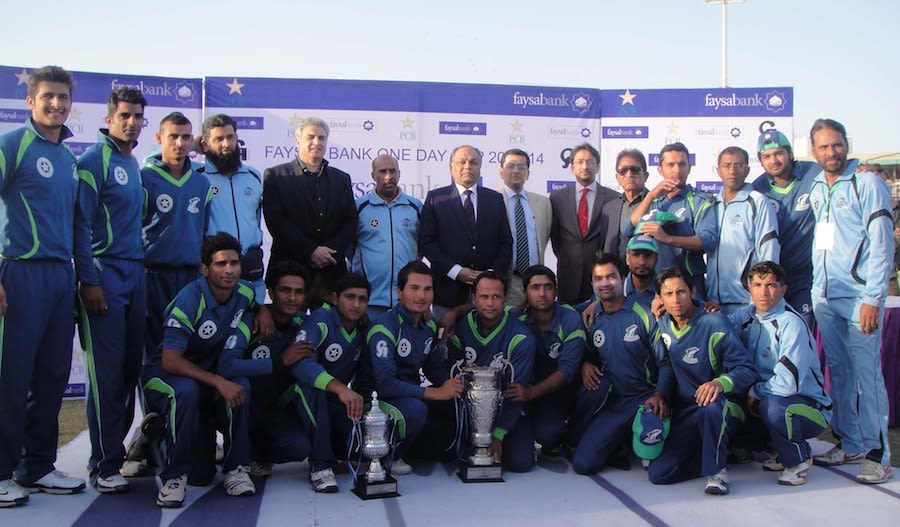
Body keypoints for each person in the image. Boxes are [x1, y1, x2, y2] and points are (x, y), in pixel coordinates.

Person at [0, 65, 85, 507]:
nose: (56, 104)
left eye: (63, 97)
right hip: (19, 272)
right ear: (30, 101)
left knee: (51, 377)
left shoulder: (71, 160)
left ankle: (37, 466)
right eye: (47, 96)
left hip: (59, 276)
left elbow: (76, 225)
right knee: (11, 377)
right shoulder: (11, 145)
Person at [141, 232, 257, 507]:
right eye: (220, 264)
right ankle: (173, 475)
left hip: (204, 378)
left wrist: (262, 313)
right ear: (205, 269)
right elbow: (170, 360)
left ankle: (235, 468)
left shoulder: (245, 292)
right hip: (166, 376)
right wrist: (217, 380)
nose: (229, 270)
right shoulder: (190, 299)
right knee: (188, 392)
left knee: (203, 474)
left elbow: (253, 305)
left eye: (234, 263)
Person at [807, 119, 895, 484]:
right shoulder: (815, 187)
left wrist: (874, 296)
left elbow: (882, 244)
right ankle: (850, 441)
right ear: (814, 151)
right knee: (839, 373)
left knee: (867, 376)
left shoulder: (867, 183)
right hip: (825, 295)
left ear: (847, 144)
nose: (832, 152)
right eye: (824, 147)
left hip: (860, 297)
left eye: (837, 145)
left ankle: (878, 453)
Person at [217, 260, 359, 479]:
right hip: (241, 407)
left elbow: (334, 316)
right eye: (285, 290)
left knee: (299, 447)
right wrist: (278, 361)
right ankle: (236, 460)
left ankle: (256, 453)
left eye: (298, 292)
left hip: (274, 414)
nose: (292, 298)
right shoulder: (251, 321)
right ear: (271, 292)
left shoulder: (302, 323)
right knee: (239, 384)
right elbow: (226, 366)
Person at [74, 87, 148, 493]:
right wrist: (90, 279)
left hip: (136, 273)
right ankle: (101, 463)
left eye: (138, 116)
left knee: (127, 371)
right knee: (104, 376)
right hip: (105, 274)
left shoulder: (132, 161)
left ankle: (115, 456)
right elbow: (80, 225)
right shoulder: (94, 159)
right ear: (109, 117)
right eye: (125, 115)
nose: (132, 122)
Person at [648, 266, 755, 496]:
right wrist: (660, 395)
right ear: (660, 298)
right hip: (688, 410)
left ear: (693, 291)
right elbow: (667, 366)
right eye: (668, 294)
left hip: (724, 407)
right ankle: (716, 452)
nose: (676, 299)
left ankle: (717, 472)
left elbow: (746, 369)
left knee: (711, 406)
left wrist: (719, 383)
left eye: (681, 292)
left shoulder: (715, 323)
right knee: (659, 474)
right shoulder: (663, 323)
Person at [355, 262, 463, 474]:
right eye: (414, 288)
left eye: (427, 289)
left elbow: (434, 368)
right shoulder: (383, 328)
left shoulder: (428, 326)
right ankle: (384, 454)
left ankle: (409, 447)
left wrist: (458, 383)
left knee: (454, 409)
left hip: (407, 397)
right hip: (375, 402)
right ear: (399, 292)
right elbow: (385, 384)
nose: (421, 296)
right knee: (417, 411)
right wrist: (436, 392)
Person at [729, 262, 831, 486]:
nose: (763, 292)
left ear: (783, 289)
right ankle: (773, 447)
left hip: (807, 406)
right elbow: (718, 333)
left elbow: (787, 385)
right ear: (749, 288)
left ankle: (799, 459)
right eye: (757, 284)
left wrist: (754, 391)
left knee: (773, 407)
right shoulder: (744, 316)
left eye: (771, 285)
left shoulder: (791, 324)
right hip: (763, 398)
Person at [571, 254, 668, 474]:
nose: (604, 283)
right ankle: (618, 443)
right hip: (617, 402)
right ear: (592, 284)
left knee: (656, 467)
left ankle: (636, 437)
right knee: (583, 465)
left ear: (622, 278)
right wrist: (586, 362)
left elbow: (666, 362)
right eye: (598, 278)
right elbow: (562, 313)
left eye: (611, 277)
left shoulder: (645, 313)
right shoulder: (591, 317)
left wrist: (661, 394)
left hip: (647, 398)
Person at [442, 271, 536, 472]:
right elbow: (448, 372)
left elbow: (515, 393)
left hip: (507, 411)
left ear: (504, 300)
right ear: (474, 299)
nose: (490, 303)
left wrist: (498, 436)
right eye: (484, 297)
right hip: (468, 409)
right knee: (446, 449)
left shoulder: (521, 337)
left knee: (521, 462)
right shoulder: (460, 327)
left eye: (496, 297)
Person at [263, 117, 357, 310]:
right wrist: (311, 251)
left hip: (331, 273)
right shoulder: (276, 176)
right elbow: (276, 222)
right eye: (311, 137)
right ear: (298, 141)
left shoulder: (342, 179)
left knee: (328, 333)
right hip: (290, 271)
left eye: (321, 138)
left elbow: (350, 221)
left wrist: (330, 252)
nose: (317, 142)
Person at [290, 273, 370, 492]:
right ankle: (320, 465)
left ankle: (332, 449)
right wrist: (340, 388)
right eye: (349, 297)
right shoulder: (320, 320)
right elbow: (301, 365)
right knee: (313, 387)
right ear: (335, 298)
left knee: (357, 448)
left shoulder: (363, 325)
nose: (356, 304)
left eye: (362, 299)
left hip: (334, 401)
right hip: (299, 398)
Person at [141, 112, 211, 355]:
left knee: (187, 347)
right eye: (173, 137)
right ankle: (153, 394)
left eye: (185, 137)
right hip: (153, 277)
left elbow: (204, 231)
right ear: (159, 137)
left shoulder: (201, 183)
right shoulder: (144, 178)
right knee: (153, 348)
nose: (180, 143)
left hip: (190, 278)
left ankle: (180, 394)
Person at [419, 145, 511, 320]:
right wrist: (456, 271)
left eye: (473, 162)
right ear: (451, 168)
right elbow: (427, 243)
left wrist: (490, 275)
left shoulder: (495, 199)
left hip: (489, 297)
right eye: (462, 162)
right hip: (448, 293)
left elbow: (505, 242)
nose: (468, 166)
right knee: (446, 345)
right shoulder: (435, 198)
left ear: (480, 168)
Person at [508, 265, 585, 456]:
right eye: (535, 288)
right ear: (525, 292)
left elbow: (567, 371)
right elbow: (487, 309)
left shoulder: (570, 318)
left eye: (548, 287)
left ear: (556, 291)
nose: (542, 293)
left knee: (548, 435)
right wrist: (455, 313)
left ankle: (570, 430)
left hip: (557, 392)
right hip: (525, 392)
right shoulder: (516, 316)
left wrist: (532, 392)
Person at [631, 143, 717, 299]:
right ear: (660, 169)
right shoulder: (653, 200)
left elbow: (708, 240)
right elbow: (631, 227)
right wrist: (650, 196)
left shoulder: (700, 201)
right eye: (671, 165)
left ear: (689, 168)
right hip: (656, 285)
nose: (677, 170)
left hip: (690, 285)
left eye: (682, 164)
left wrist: (667, 238)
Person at [751, 128, 819, 324]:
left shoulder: (813, 173)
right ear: (761, 160)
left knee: (802, 329)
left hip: (804, 278)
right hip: (771, 280)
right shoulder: (756, 190)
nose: (774, 160)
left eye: (779, 153)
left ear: (789, 153)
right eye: (767, 156)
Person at [199, 114, 266, 302]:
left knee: (253, 326)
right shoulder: (198, 176)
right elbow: (157, 161)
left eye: (230, 137)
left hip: (251, 267)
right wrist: (194, 146)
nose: (226, 144)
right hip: (217, 267)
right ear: (205, 143)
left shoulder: (253, 176)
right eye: (218, 139)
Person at [706, 146, 780, 314]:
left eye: (738, 165)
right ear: (718, 170)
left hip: (747, 302)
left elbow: (769, 250)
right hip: (714, 304)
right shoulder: (711, 204)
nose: (732, 171)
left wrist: (762, 294)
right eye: (727, 165)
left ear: (747, 169)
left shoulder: (758, 202)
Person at [550, 143, 623, 304]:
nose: (585, 166)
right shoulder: (557, 198)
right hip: (567, 276)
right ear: (572, 167)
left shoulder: (614, 198)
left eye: (590, 162)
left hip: (601, 279)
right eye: (580, 161)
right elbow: (556, 239)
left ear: (597, 167)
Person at [349, 154, 422, 314]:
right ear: (373, 175)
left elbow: (423, 247)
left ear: (399, 174)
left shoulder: (415, 207)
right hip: (368, 301)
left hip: (407, 301)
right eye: (382, 171)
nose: (388, 176)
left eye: (392, 171)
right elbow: (350, 248)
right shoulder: (359, 207)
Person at [497, 148, 551, 306]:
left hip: (536, 281)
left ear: (528, 173)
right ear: (501, 171)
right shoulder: (492, 200)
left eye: (521, 167)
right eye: (510, 166)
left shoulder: (544, 203)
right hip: (506, 280)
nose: (516, 171)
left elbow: (547, 236)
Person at [615, 149, 650, 254]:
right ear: (617, 177)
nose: (629, 174)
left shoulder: (658, 203)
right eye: (623, 170)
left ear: (645, 176)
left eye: (634, 169)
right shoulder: (609, 207)